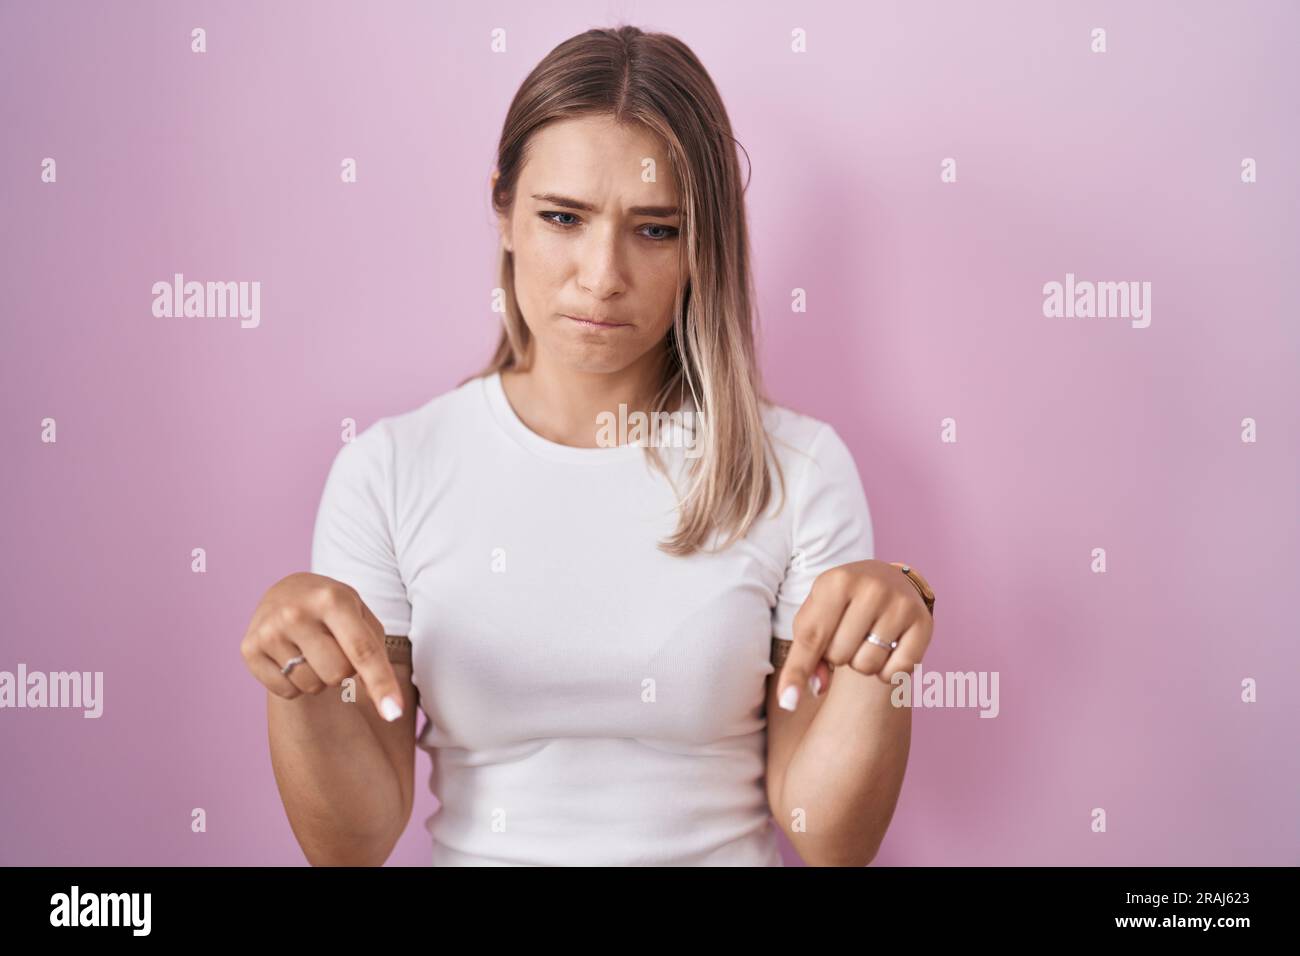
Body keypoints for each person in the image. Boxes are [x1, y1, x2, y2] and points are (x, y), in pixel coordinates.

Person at [240, 24, 935, 867]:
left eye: (655, 230)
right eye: (563, 217)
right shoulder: (388, 472)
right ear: (503, 209)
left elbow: (831, 840)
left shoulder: (799, 470)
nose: (601, 273)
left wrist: (883, 661)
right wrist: (298, 688)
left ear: (702, 244)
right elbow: (350, 844)